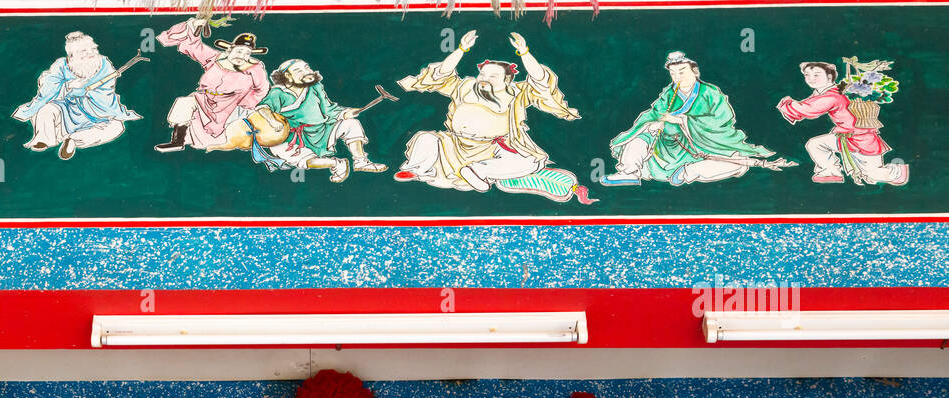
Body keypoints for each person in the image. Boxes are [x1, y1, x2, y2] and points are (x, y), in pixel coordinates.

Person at [395, 31, 589, 200]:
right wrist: (461, 49)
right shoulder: (466, 86)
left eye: (492, 77)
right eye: (483, 75)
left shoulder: (517, 93)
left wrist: (525, 52)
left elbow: (541, 81)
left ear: (507, 80)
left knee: (531, 161)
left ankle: (477, 171)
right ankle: (417, 170)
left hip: (490, 149)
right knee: (425, 138)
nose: (484, 80)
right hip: (453, 146)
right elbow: (440, 75)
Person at [603, 51, 791, 187]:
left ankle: (688, 172)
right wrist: (653, 124)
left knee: (737, 164)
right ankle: (629, 172)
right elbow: (655, 112)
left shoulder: (711, 93)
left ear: (695, 71)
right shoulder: (669, 93)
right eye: (673, 73)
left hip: (704, 144)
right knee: (639, 138)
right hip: (667, 146)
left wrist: (683, 120)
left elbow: (722, 119)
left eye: (682, 71)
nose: (677, 76)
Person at [777, 61, 908, 185]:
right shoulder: (832, 91)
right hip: (845, 136)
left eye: (816, 75)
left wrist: (787, 103)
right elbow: (812, 102)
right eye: (807, 75)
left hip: (861, 139)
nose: (811, 78)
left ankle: (898, 171)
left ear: (829, 76)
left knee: (875, 174)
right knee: (815, 144)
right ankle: (830, 172)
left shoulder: (833, 95)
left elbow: (809, 109)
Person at [13, 32, 141, 160]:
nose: (90, 53)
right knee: (46, 110)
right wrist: (68, 86)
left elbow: (106, 92)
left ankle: (73, 140)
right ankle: (44, 139)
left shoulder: (104, 64)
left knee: (117, 127)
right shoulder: (61, 65)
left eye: (92, 49)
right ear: (72, 54)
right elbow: (47, 86)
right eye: (84, 50)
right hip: (67, 109)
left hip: (96, 112)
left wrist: (87, 90)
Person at [255, 59, 385, 183]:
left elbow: (327, 108)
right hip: (292, 138)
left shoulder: (314, 87)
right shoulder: (278, 92)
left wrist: (344, 113)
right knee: (305, 162)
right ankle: (337, 164)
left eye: (306, 67)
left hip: (321, 130)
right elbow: (263, 108)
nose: (307, 71)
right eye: (299, 70)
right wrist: (272, 121)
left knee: (351, 124)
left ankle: (360, 161)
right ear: (288, 76)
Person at [154, 20, 269, 152]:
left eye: (247, 53)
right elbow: (195, 47)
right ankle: (177, 141)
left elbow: (262, 89)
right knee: (184, 102)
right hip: (206, 100)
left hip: (230, 105)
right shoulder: (215, 58)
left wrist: (246, 102)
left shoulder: (254, 68)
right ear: (230, 49)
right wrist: (195, 26)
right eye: (239, 51)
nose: (242, 56)